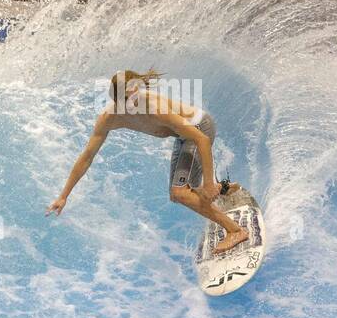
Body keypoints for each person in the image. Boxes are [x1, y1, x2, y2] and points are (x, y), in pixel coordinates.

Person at [46, 69, 250, 254]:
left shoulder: (154, 108)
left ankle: (236, 231)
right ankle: (226, 189)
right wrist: (63, 196)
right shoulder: (109, 117)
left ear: (136, 91)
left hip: (199, 129)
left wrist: (207, 183)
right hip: (183, 138)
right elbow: (87, 157)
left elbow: (202, 140)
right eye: (118, 100)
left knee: (181, 192)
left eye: (127, 98)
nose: (124, 105)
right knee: (182, 191)